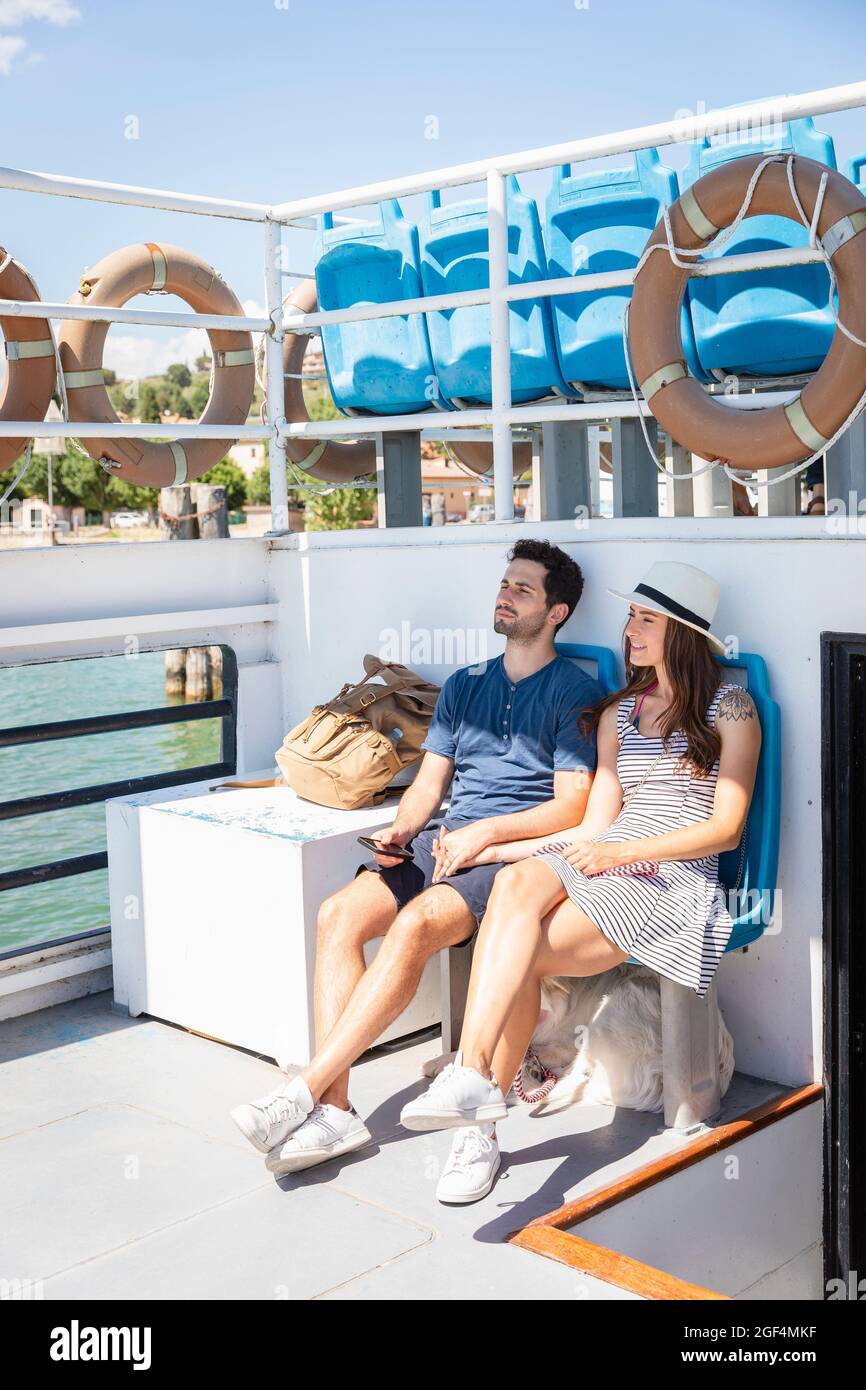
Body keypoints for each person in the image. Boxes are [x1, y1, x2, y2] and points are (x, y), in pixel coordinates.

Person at [230, 538, 603, 1181]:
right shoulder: (465, 684)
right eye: (504, 584)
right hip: (443, 839)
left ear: (557, 612)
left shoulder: (576, 691)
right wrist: (401, 833)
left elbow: (572, 806)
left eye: (522, 590)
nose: (505, 596)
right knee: (337, 916)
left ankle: (304, 1089)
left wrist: (483, 836)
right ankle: (338, 1109)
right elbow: (431, 785)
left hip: (504, 855)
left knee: (414, 926)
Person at [400, 560, 762, 1204]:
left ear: (682, 632)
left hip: (667, 874)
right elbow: (594, 823)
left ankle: (475, 1104)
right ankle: (476, 1086)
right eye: (630, 616)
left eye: (645, 619)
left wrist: (622, 854)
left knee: (516, 953)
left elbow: (726, 828)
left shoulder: (729, 708)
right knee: (513, 887)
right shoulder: (620, 712)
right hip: (603, 856)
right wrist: (499, 840)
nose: (629, 630)